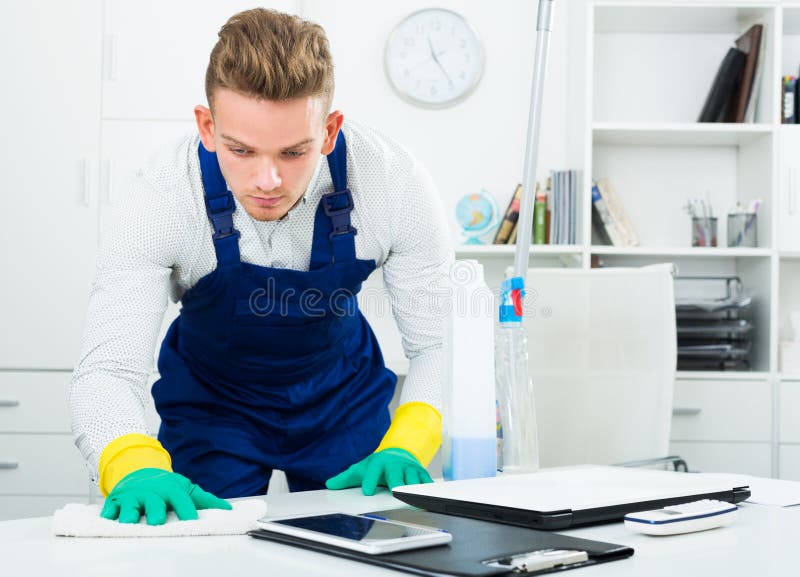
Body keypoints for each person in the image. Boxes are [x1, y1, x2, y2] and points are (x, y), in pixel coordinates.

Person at [68, 8, 452, 526]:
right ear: (207, 126)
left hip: (342, 403)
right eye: (241, 150)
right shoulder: (162, 196)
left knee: (362, 551)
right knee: (201, 552)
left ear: (331, 130)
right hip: (212, 407)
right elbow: (109, 368)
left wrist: (412, 440)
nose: (267, 179)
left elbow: (438, 342)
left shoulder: (394, 183)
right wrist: (129, 462)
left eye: (294, 152)